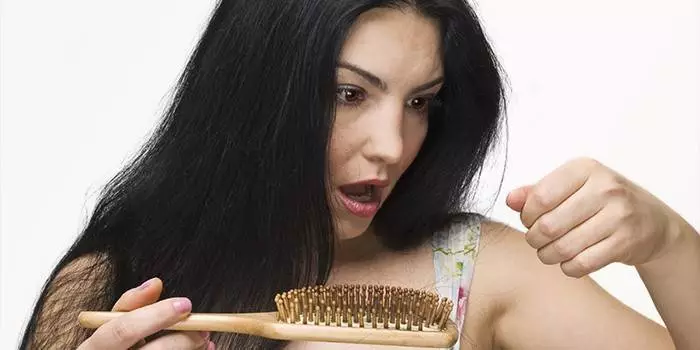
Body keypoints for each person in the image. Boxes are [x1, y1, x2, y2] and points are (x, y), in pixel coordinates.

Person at [20, 0, 700, 349]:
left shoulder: (476, 275)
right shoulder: (106, 285)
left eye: (420, 103)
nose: (392, 146)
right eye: (350, 95)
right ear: (256, 95)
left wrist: (669, 245)